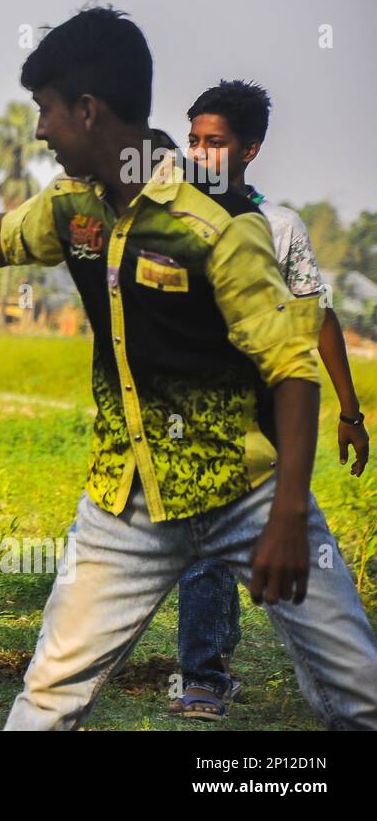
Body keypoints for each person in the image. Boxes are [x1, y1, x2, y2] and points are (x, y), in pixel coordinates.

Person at [0, 6, 377, 730]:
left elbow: (292, 367)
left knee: (359, 692)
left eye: (45, 110)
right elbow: (4, 236)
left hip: (247, 491)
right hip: (124, 499)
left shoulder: (217, 219)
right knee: (48, 696)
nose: (39, 130)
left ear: (87, 110)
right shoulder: (75, 204)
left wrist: (290, 511)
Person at [170, 79, 370, 720]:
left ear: (249, 150)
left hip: (267, 416)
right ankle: (204, 677)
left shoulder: (278, 227)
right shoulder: (167, 218)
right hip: (192, 416)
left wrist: (350, 412)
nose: (199, 153)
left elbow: (319, 319)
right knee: (205, 546)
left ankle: (345, 693)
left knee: (294, 550)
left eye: (215, 142)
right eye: (193, 140)